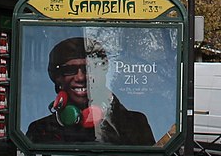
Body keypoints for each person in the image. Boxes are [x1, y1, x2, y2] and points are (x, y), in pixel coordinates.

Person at [26, 36, 154, 145]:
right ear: (57, 78)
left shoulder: (136, 124)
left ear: (103, 73)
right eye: (69, 70)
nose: (80, 77)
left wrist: (111, 125)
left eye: (89, 69)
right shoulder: (40, 130)